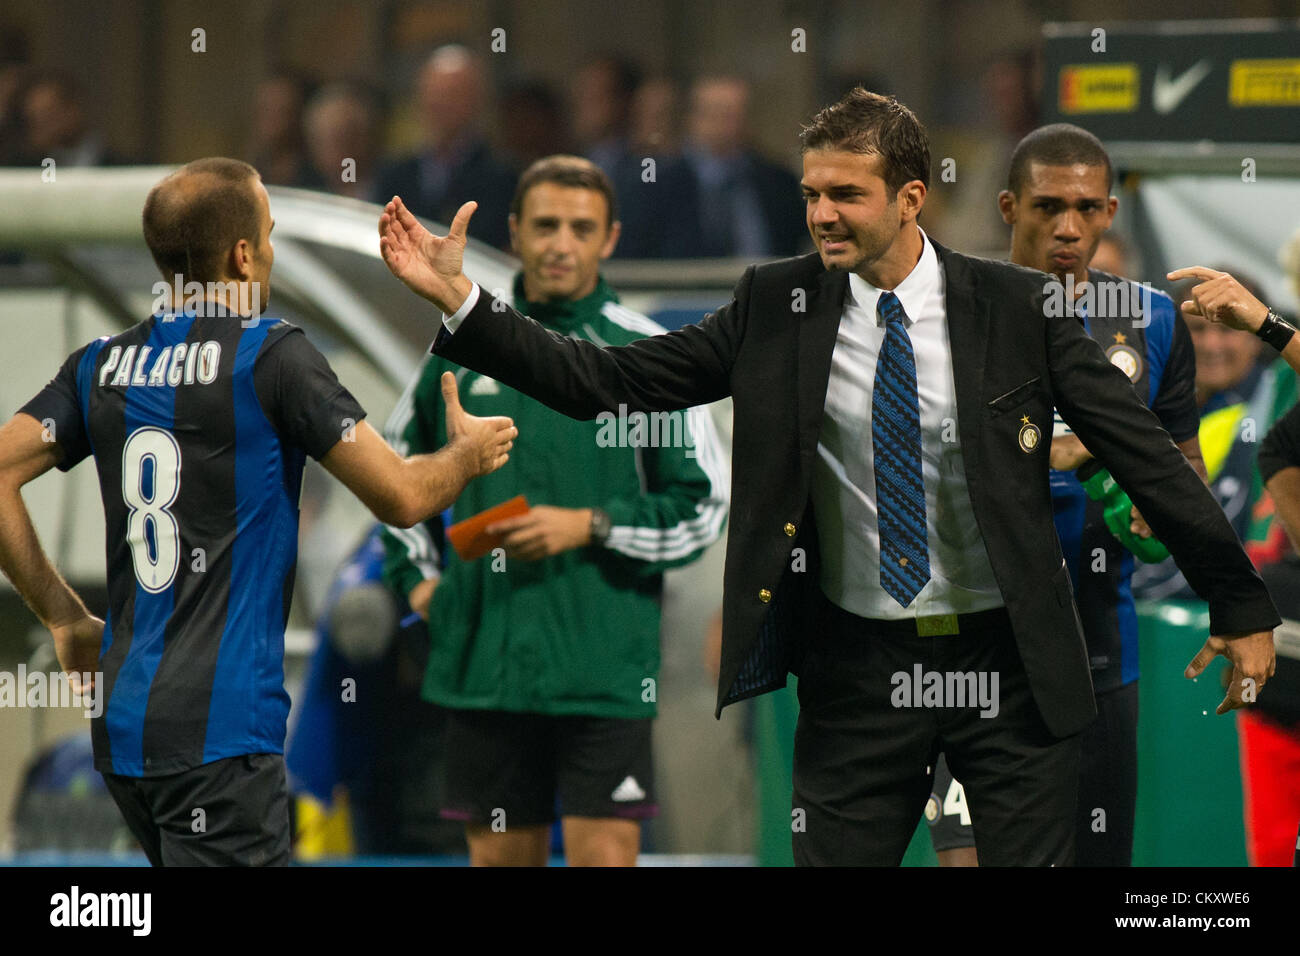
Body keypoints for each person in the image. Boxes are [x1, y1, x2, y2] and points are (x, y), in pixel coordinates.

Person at [377, 88, 1279, 866]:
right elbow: (613, 380)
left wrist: (1239, 608)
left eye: (846, 194)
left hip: (1006, 667)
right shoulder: (777, 305)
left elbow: (1146, 455)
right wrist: (464, 304)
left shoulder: (1015, 308)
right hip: (857, 672)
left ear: (911, 198)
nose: (820, 215)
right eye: (811, 194)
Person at [0, 157, 516, 866]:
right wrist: (465, 455)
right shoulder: (273, 357)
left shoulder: (99, 365)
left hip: (123, 733)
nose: (269, 251)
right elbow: (401, 496)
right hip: (221, 739)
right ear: (243, 254)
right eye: (267, 234)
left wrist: (62, 616)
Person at [380, 155, 728, 866]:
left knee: (605, 859)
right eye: (545, 225)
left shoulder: (645, 352)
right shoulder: (459, 349)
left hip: (603, 672)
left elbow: (702, 505)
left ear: (611, 237)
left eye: (581, 227)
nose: (561, 243)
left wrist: (591, 526)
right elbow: (389, 476)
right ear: (514, 232)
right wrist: (418, 587)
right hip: (484, 667)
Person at [927, 124, 1204, 867]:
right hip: (969, 647)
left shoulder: (1152, 322)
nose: (1069, 228)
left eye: (1087, 208)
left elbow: (1183, 495)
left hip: (1098, 651)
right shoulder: (942, 315)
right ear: (1010, 207)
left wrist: (1114, 476)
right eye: (1049, 206)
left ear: (1111, 212)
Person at [374, 45, 515, 250]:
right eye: (435, 93)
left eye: (454, 93)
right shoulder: (394, 174)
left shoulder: (502, 177)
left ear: (476, 100)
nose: (442, 103)